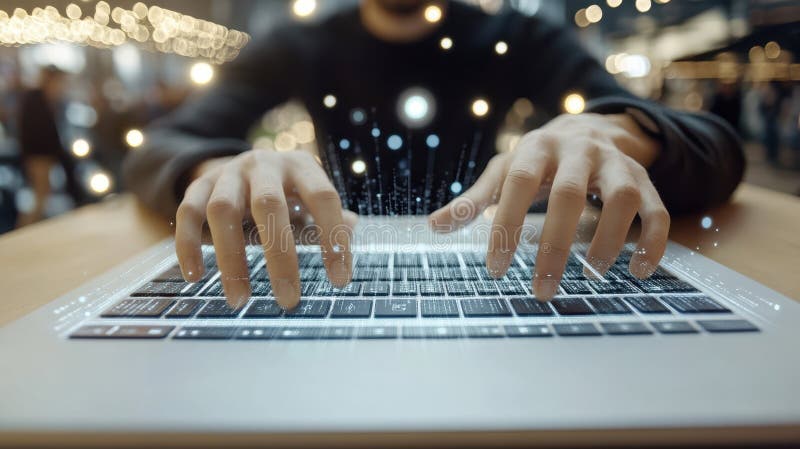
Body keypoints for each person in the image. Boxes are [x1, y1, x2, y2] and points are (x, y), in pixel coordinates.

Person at [124, 0, 744, 310]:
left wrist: (614, 134)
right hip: (324, 263)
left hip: (493, 266)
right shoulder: (300, 44)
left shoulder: (516, 37)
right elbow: (162, 146)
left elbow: (715, 147)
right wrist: (218, 168)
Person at [17, 65, 83, 226]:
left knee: (44, 192)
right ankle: (24, 229)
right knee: (41, 193)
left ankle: (30, 225)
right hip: (38, 155)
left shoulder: (48, 100)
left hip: (45, 153)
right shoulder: (34, 100)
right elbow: (35, 132)